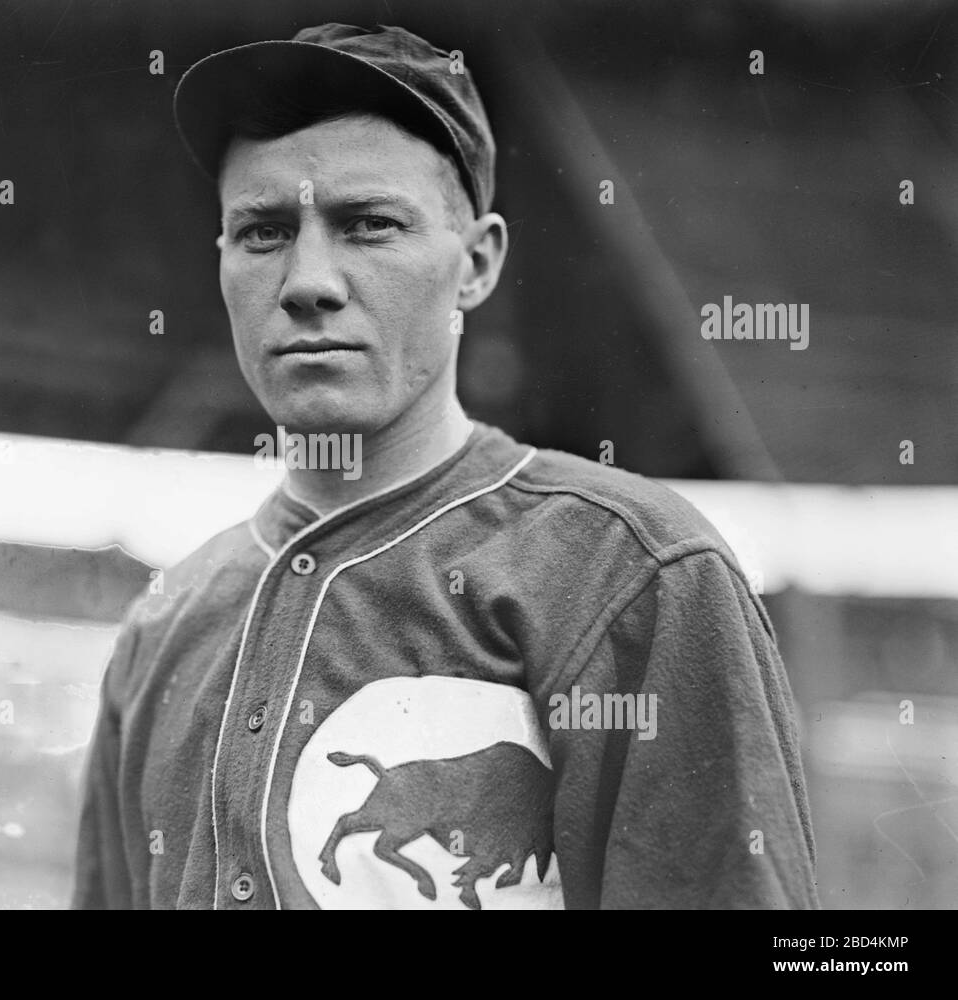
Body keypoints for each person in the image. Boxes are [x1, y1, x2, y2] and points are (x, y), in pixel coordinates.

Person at [72, 22, 817, 910]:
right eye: (264, 232)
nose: (310, 280)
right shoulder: (164, 627)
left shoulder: (630, 572)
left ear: (476, 264)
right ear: (224, 263)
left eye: (369, 226)